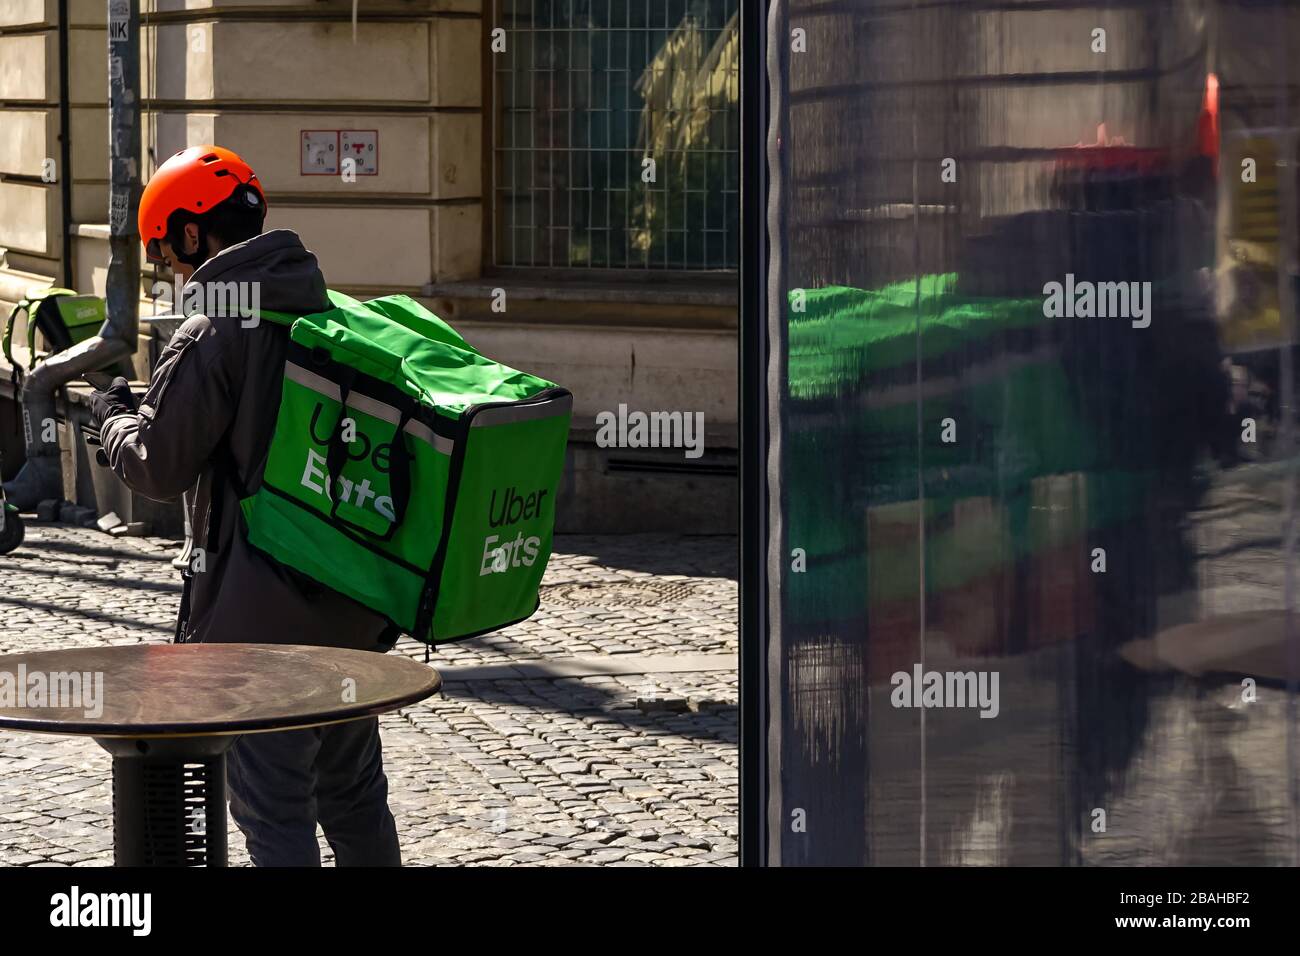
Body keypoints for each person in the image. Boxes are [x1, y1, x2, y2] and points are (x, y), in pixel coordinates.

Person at [88, 145, 402, 866]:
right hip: (348, 597)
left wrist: (111, 418)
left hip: (260, 623)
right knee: (353, 794)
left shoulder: (212, 329)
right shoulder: (324, 310)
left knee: (273, 806)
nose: (174, 271)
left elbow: (158, 467)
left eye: (169, 253)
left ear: (194, 235)